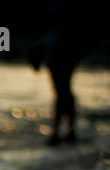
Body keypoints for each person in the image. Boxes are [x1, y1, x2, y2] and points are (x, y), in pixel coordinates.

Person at [29, 2, 90, 145]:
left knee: (61, 92)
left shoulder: (60, 9)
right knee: (64, 91)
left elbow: (47, 27)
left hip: (61, 51)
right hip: (62, 50)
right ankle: (67, 131)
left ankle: (60, 132)